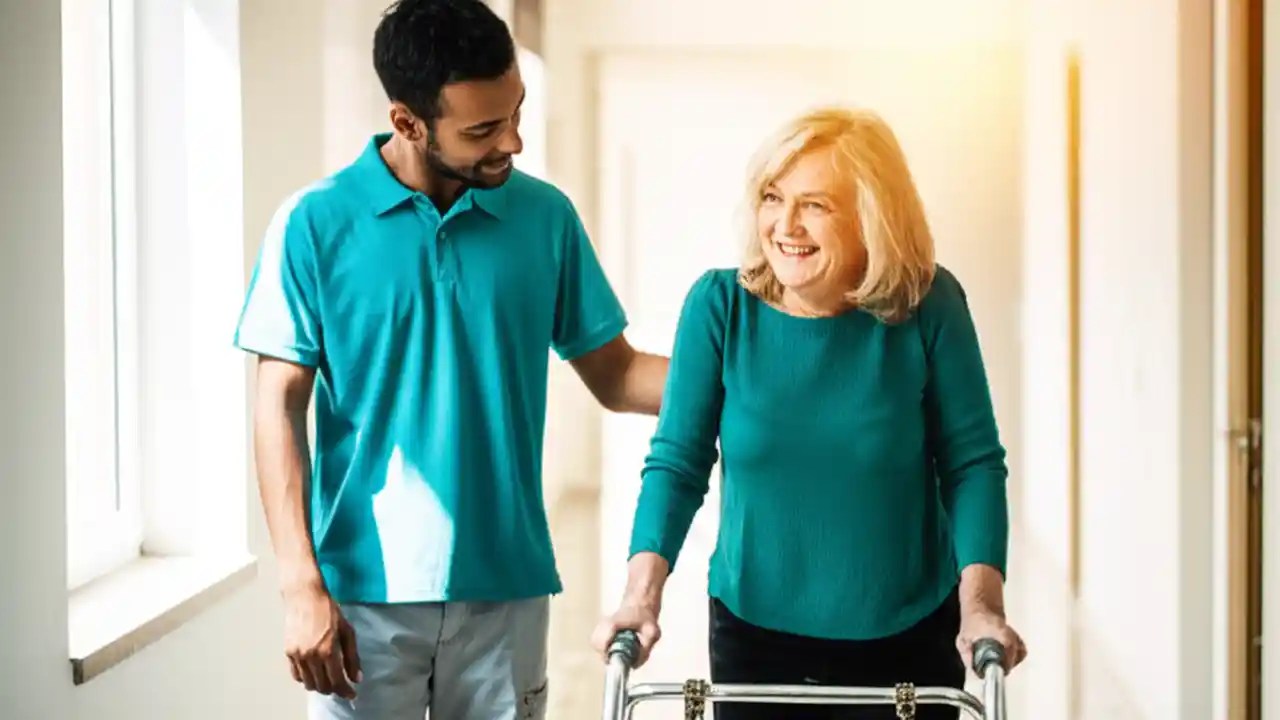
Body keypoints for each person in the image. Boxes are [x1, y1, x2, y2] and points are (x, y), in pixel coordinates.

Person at [234, 1, 667, 718]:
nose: (513, 142)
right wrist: (299, 584)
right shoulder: (312, 225)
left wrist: (751, 378)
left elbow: (618, 375)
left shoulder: (544, 218)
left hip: (507, 589)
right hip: (361, 601)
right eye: (483, 130)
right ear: (406, 121)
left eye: (515, 113)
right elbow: (278, 404)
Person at [591, 107, 1026, 719]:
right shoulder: (721, 307)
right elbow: (677, 462)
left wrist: (982, 603)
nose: (785, 225)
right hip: (756, 636)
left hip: (908, 638)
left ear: (872, 218)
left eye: (815, 204)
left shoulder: (929, 306)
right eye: (773, 197)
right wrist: (641, 597)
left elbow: (972, 463)